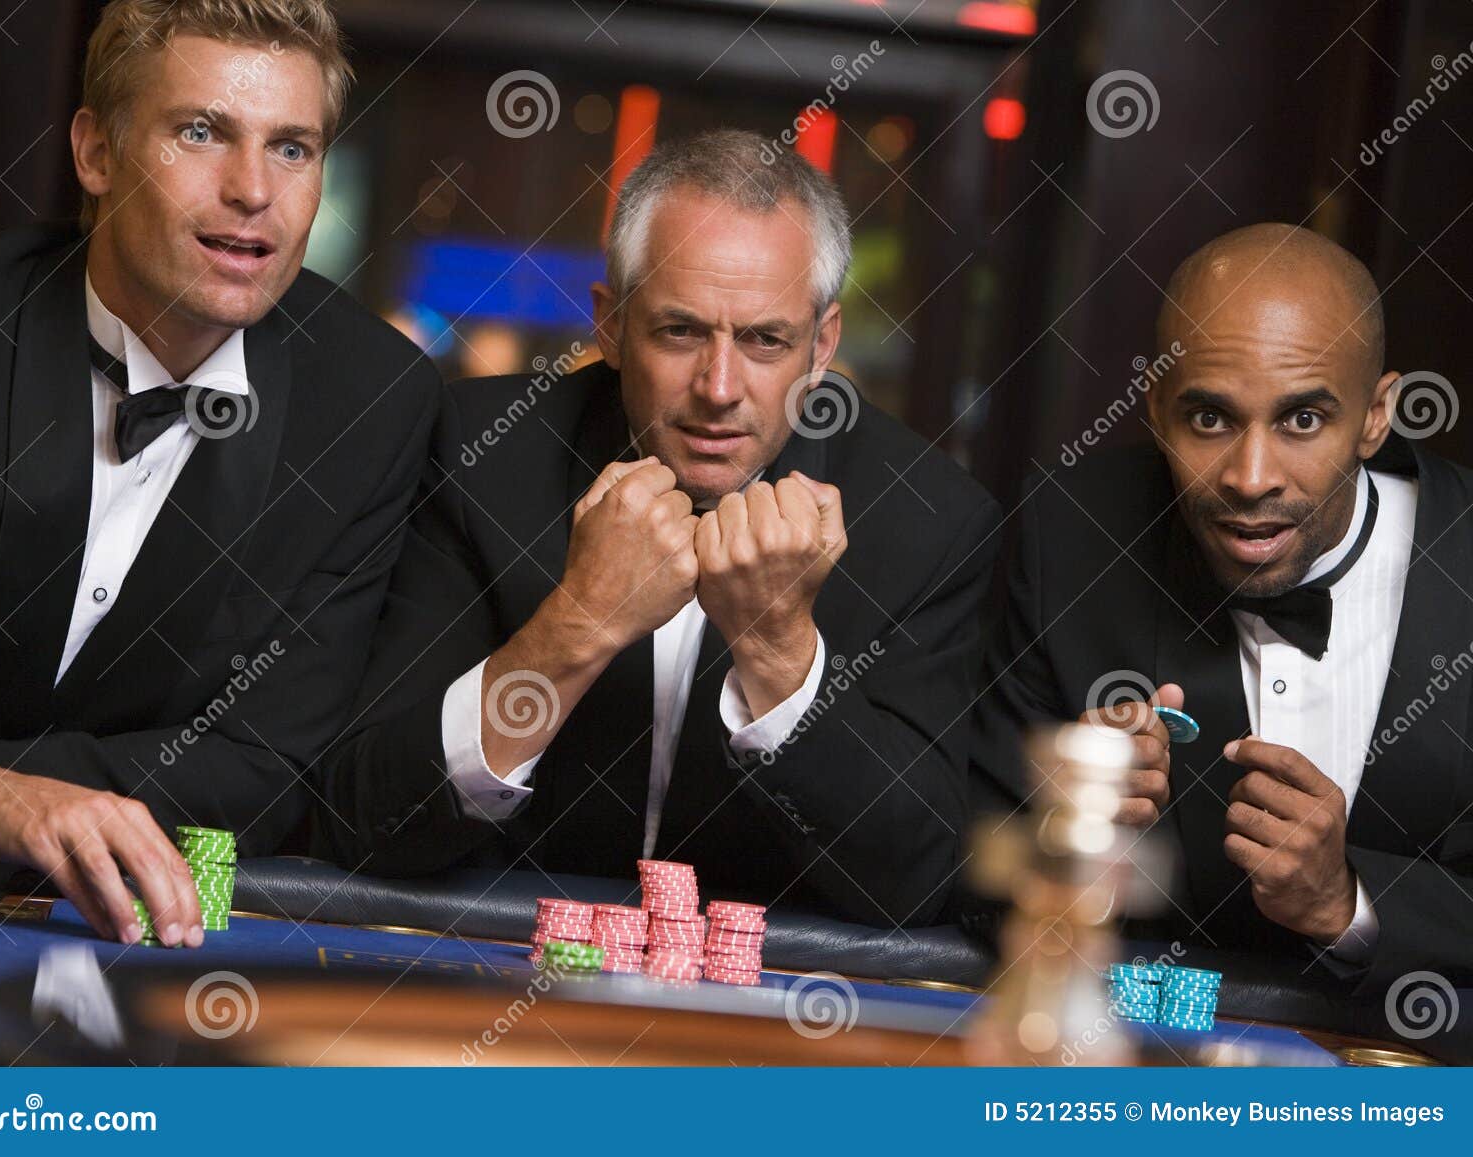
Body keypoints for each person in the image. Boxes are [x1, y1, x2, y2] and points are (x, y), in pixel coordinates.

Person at [315, 129, 1002, 927]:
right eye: (680, 331)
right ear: (609, 324)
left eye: (764, 340)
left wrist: (780, 651)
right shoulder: (478, 456)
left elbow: (914, 883)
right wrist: (576, 626)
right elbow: (360, 819)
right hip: (485, 983)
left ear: (821, 346)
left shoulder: (930, 519)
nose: (719, 387)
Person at [0, 0, 439, 947]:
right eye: (201, 132)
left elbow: (263, 762)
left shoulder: (373, 401)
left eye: (292, 148)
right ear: (96, 154)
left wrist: (19, 791)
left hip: (114, 953)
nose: (253, 189)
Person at [971, 223, 1473, 989]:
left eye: (1303, 419)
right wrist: (1070, 833)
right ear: (1156, 407)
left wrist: (1348, 900)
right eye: (1210, 418)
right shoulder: (1071, 537)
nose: (1250, 476)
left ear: (1375, 415)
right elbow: (962, 882)